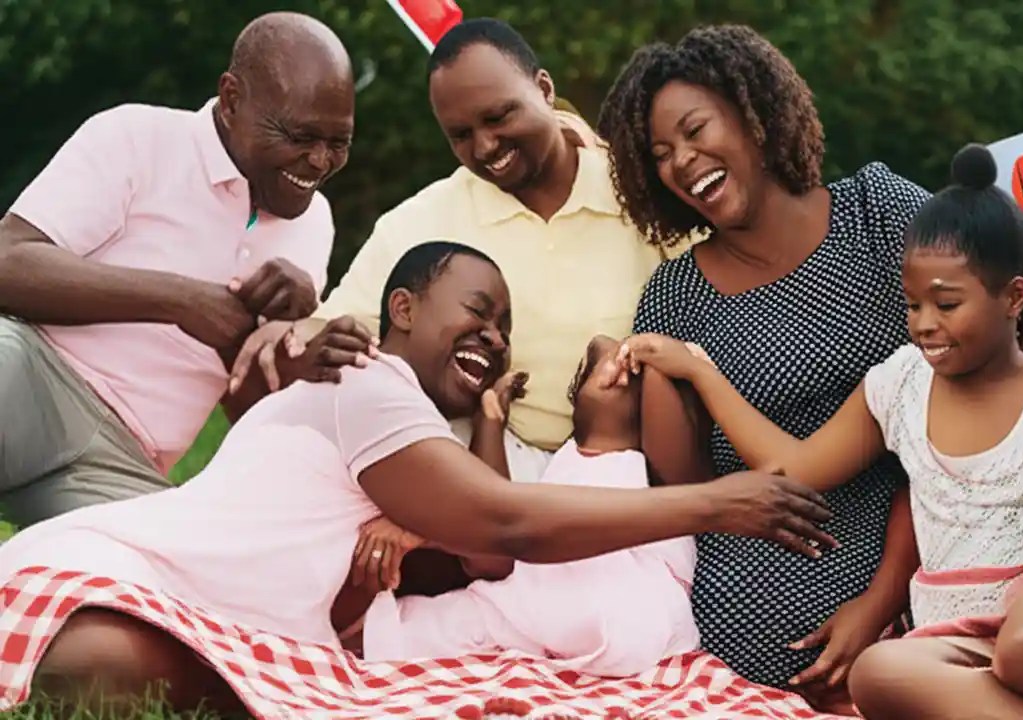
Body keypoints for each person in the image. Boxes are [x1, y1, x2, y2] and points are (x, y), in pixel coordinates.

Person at [0, 241, 835, 714]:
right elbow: (505, 524)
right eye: (479, 311)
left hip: (239, 628)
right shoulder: (368, 381)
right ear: (403, 310)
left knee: (156, 678)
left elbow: (489, 561)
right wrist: (721, 503)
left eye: (507, 327)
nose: (496, 338)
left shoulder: (411, 426)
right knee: (97, 664)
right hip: (127, 575)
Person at [596, 24, 1023, 699]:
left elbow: (992, 310)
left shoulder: (877, 213)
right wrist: (641, 380)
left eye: (696, 130)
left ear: (755, 118)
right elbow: (684, 488)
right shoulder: (675, 295)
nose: (683, 160)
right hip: (746, 590)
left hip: (930, 546)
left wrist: (880, 600)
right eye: (660, 153)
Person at [236, 18, 672, 487]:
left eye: (499, 116)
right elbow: (335, 335)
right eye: (460, 135)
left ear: (544, 89)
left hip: (634, 463)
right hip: (484, 458)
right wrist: (291, 335)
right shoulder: (419, 220)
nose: (485, 146)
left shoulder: (643, 191)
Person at [0, 12, 360, 527]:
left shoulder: (314, 222)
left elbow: (244, 404)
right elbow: (8, 261)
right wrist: (181, 301)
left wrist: (288, 347)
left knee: (160, 594)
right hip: (32, 379)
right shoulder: (139, 136)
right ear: (233, 99)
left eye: (339, 142)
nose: (319, 161)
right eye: (300, 136)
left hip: (127, 461)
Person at [346, 334, 707, 678]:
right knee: (433, 620)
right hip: (535, 604)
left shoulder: (655, 470)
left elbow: (515, 531)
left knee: (524, 587)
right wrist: (489, 422)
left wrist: (654, 356)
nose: (619, 368)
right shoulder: (566, 461)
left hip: (627, 615)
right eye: (603, 364)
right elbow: (498, 516)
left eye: (631, 365)